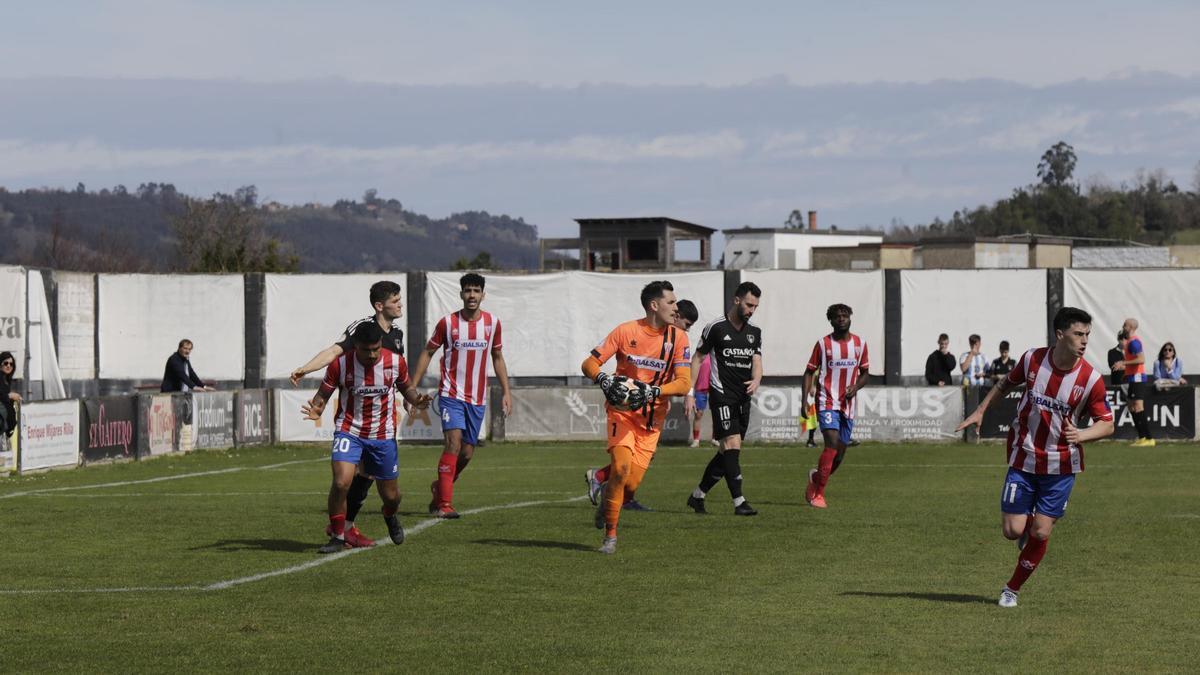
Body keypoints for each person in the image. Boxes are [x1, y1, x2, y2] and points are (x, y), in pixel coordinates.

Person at [956, 307, 1114, 608]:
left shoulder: (1091, 378)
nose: (1084, 341)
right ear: (1060, 334)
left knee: (1041, 531)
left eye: (1087, 335)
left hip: (1061, 463)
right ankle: (1027, 531)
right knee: (1012, 531)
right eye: (1078, 334)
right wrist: (980, 410)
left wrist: (1081, 435)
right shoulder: (1032, 359)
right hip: (1024, 457)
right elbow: (1006, 384)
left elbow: (1108, 423)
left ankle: (1011, 589)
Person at [290, 280, 408, 541]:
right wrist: (306, 368)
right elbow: (334, 351)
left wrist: (408, 397)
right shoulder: (361, 329)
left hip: (380, 423)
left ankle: (352, 526)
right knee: (348, 478)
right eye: (396, 300)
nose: (401, 304)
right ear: (380, 306)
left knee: (370, 480)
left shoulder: (397, 335)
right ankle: (342, 530)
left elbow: (398, 374)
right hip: (353, 423)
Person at [582, 280, 692, 554]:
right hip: (622, 414)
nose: (676, 308)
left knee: (630, 485)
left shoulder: (679, 339)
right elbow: (589, 363)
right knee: (619, 469)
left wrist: (654, 391)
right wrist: (604, 379)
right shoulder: (625, 331)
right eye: (671, 302)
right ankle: (610, 536)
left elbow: (683, 383)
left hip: (652, 422)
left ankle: (607, 502)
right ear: (654, 305)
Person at [303, 322, 432, 553]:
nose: (372, 355)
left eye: (376, 348)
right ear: (356, 347)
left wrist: (416, 400)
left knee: (392, 497)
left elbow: (406, 388)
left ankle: (389, 514)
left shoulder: (395, 362)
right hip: (349, 430)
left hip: (382, 436)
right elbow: (322, 395)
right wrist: (317, 408)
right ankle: (337, 536)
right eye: (366, 350)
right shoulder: (340, 365)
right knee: (342, 481)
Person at [410, 273, 512, 519]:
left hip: (477, 398)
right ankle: (444, 503)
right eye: (468, 290)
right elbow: (428, 352)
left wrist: (507, 392)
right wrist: (411, 387)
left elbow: (497, 358)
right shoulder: (448, 323)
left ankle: (440, 487)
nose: (472, 295)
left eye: (476, 290)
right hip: (451, 394)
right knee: (453, 444)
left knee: (466, 452)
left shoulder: (493, 324)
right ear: (461, 294)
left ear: (483, 295)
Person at [684, 281, 763, 517]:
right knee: (732, 445)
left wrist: (757, 379)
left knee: (725, 453)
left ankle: (697, 496)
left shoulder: (755, 332)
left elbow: (757, 361)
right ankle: (739, 502)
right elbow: (697, 359)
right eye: (749, 304)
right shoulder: (715, 328)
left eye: (755, 307)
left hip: (743, 398)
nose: (751, 310)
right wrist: (689, 392)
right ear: (736, 300)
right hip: (721, 395)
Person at [802, 304, 870, 509]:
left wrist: (856, 386)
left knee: (839, 455)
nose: (841, 319)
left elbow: (865, 373)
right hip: (827, 401)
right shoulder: (823, 344)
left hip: (848, 405)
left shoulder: (860, 344)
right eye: (836, 316)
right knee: (831, 443)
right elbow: (809, 372)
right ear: (830, 321)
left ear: (850, 318)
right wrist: (805, 400)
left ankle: (816, 477)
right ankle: (818, 495)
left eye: (844, 315)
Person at [1112, 318, 1155, 446]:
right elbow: (1134, 363)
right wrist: (1124, 368)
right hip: (1132, 378)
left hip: (1138, 378)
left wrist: (1123, 362)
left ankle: (1149, 438)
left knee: (1138, 406)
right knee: (1131, 407)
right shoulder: (1129, 342)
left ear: (1130, 327)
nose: (1123, 326)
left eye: (1125, 325)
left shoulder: (1134, 342)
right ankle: (1142, 437)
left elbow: (1141, 359)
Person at [689, 350, 712, 449]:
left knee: (717, 413)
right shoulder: (698, 356)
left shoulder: (716, 355)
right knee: (698, 414)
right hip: (700, 389)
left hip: (714, 389)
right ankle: (696, 440)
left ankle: (715, 439)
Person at [0, 351, 21, 446]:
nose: (9, 366)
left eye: (11, 364)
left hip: (4, 428)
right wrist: (10, 396)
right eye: (5, 363)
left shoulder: (6, 379)